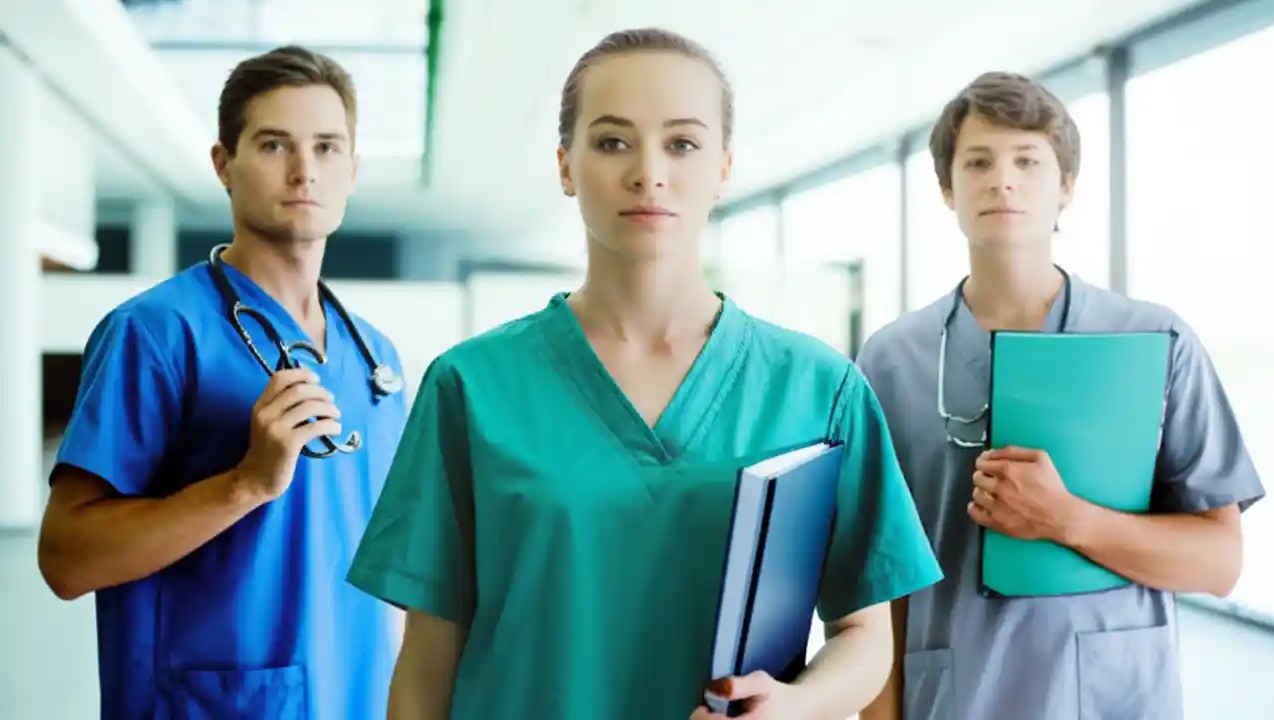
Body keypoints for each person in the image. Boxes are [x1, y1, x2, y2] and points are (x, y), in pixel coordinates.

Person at [346, 27, 942, 720]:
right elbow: (426, 656)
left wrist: (796, 705)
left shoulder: (820, 389)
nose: (648, 171)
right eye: (612, 141)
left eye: (683, 143)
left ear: (723, 167)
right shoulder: (470, 387)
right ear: (566, 165)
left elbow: (866, 636)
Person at [857, 71, 1265, 720]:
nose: (1003, 179)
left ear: (1066, 185)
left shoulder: (1155, 341)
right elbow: (879, 582)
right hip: (958, 692)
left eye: (1027, 159)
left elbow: (1219, 563)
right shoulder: (891, 359)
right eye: (978, 161)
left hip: (1108, 697)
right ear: (946, 189)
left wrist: (1067, 519)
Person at [37, 45, 409, 719]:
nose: (304, 170)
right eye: (274, 145)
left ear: (353, 171)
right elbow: (67, 560)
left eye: (328, 148)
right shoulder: (155, 334)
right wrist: (246, 483)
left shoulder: (377, 361)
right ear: (223, 164)